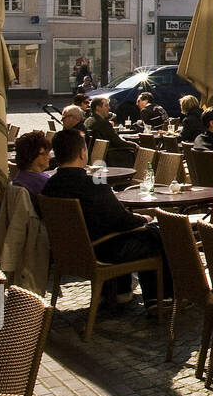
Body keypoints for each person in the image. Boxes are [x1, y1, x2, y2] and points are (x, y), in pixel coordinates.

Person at [41, 128, 171, 313]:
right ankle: (160, 298)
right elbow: (122, 220)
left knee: (140, 233)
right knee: (153, 234)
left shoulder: (50, 186)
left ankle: (120, 292)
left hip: (71, 251)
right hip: (100, 251)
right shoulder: (93, 185)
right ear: (82, 153)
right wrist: (144, 218)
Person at [10, 130, 52, 194]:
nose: (50, 157)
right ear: (37, 155)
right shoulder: (44, 182)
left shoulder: (19, 177)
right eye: (47, 153)